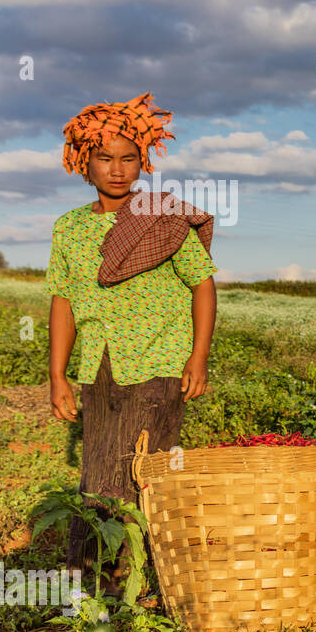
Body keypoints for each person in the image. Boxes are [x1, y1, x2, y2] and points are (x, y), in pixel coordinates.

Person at [47, 92, 218, 587]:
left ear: (142, 162)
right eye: (105, 158)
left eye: (128, 159)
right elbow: (63, 302)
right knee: (98, 469)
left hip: (159, 363)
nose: (117, 170)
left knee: (136, 473)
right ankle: (96, 585)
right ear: (85, 162)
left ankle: (115, 582)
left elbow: (202, 285)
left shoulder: (160, 219)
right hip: (97, 367)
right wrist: (57, 374)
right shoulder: (70, 228)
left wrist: (198, 356)